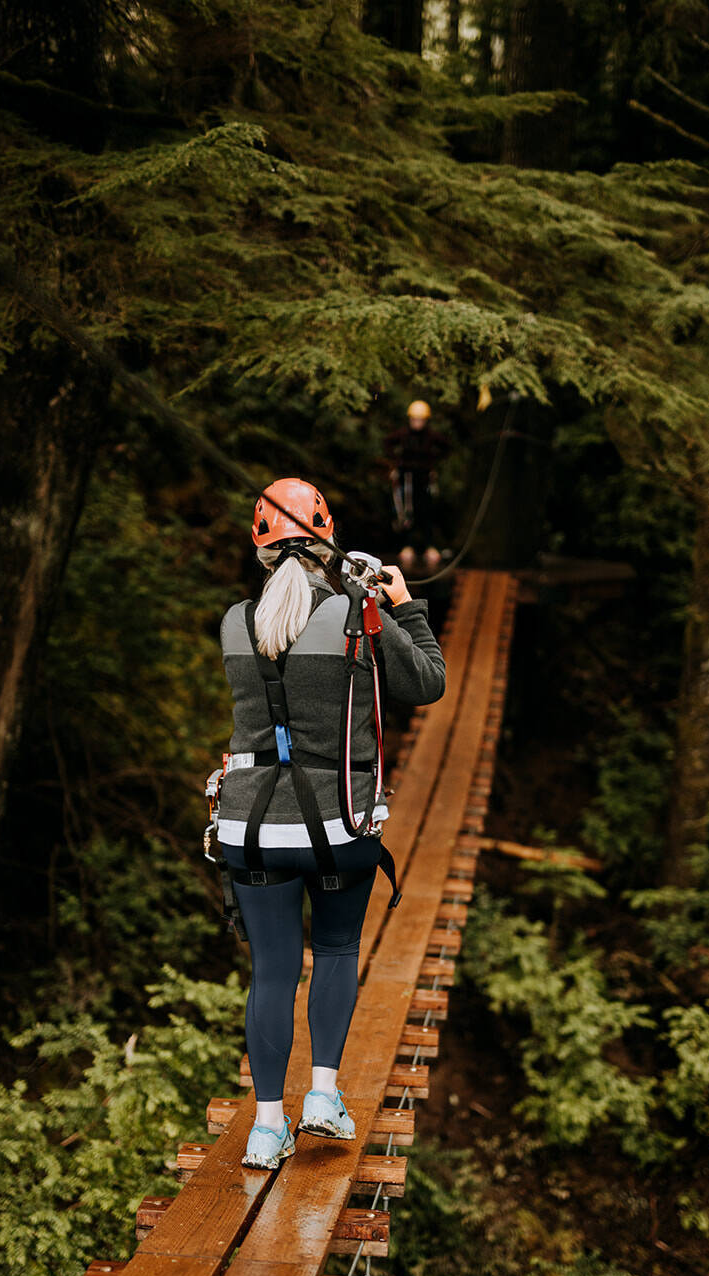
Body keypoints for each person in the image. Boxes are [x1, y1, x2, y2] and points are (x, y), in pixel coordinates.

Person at [214, 477, 446, 1170]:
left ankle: (263, 1128)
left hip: (252, 826)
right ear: (326, 540)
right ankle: (321, 1098)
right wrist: (402, 605)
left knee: (272, 973)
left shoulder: (234, 621)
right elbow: (425, 683)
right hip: (338, 826)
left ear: (260, 548)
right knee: (336, 950)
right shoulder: (358, 614)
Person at [383, 399, 451, 574]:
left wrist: (433, 463)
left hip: (424, 478)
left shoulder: (431, 436)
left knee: (427, 511)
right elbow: (388, 443)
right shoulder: (404, 434)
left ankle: (429, 546)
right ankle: (407, 546)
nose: (417, 423)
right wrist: (397, 463)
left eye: (420, 420)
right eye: (414, 419)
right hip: (407, 478)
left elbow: (446, 446)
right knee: (406, 512)